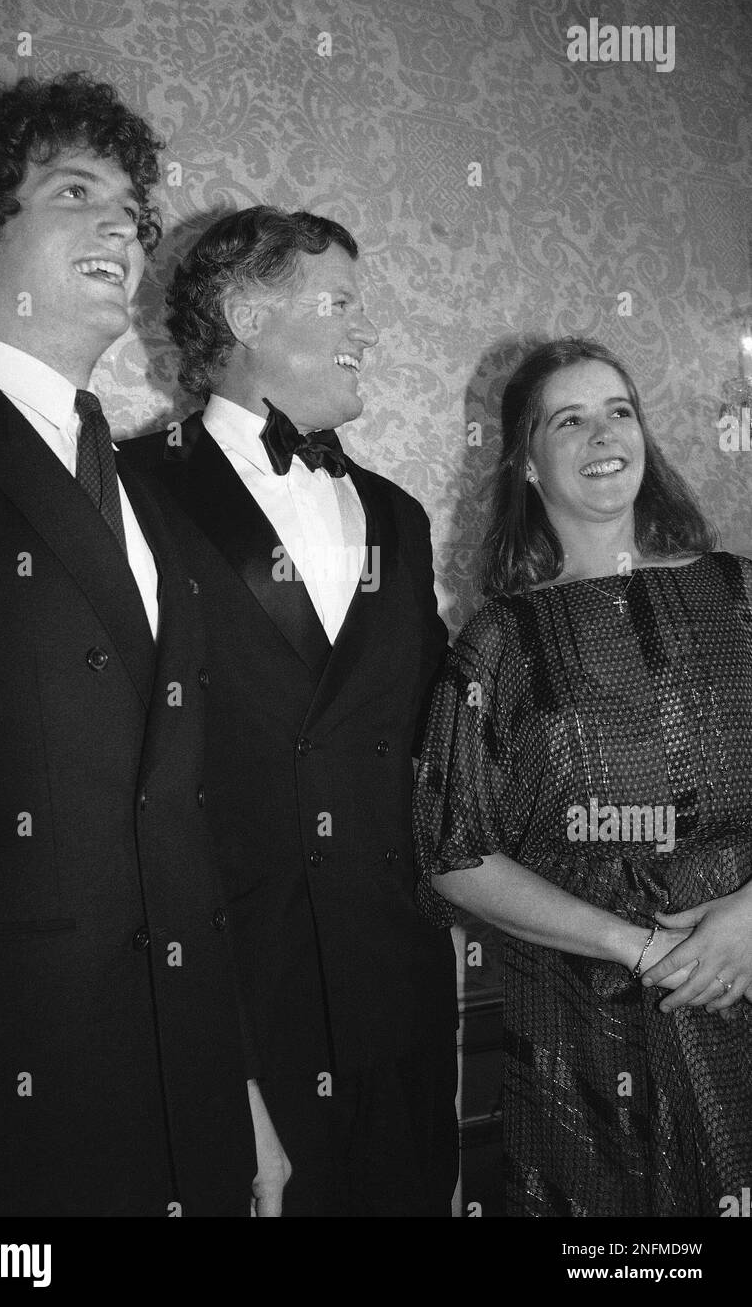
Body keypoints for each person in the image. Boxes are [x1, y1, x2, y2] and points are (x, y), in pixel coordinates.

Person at [0, 72, 288, 1216]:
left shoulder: (144, 496)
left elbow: (178, 819)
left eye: (134, 208)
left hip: (188, 1109)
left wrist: (238, 1090)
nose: (124, 224)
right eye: (78, 192)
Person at [123, 206, 458, 1216]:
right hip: (235, 1023)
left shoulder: (399, 517)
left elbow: (444, 742)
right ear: (246, 313)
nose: (368, 332)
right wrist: (221, 1062)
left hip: (399, 1018)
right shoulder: (131, 490)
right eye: (344, 303)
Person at [414, 336, 752, 1218]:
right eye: (570, 419)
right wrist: (640, 949)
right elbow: (455, 852)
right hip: (587, 1019)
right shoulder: (498, 643)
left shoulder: (741, 597)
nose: (604, 435)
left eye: (620, 411)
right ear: (527, 462)